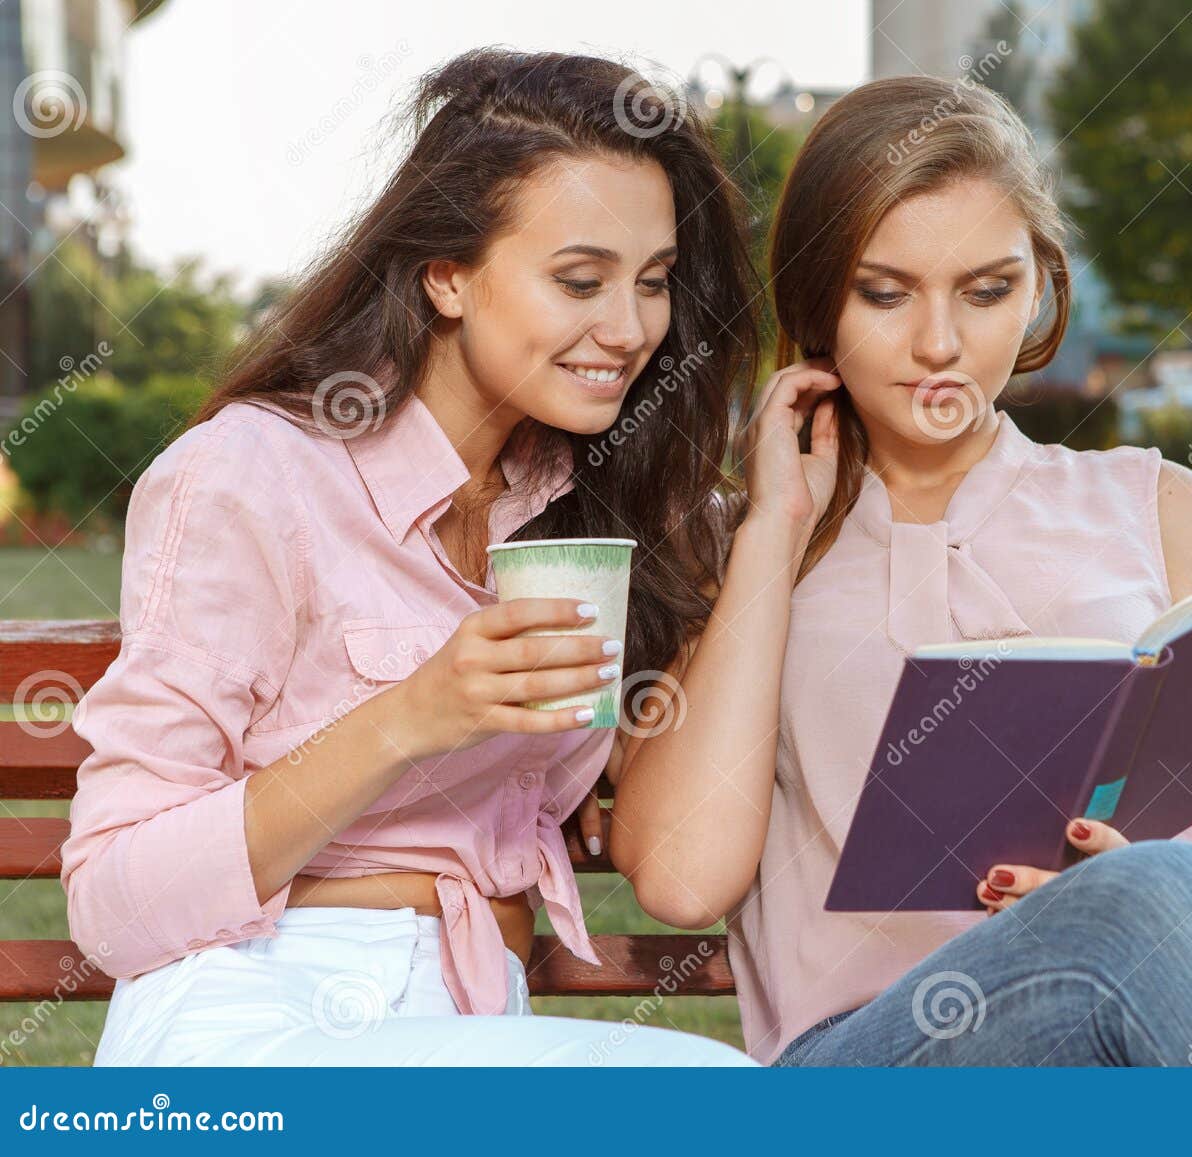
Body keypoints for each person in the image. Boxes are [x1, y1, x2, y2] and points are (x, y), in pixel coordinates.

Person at [608, 76, 1192, 1068]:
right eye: (884, 292)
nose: (939, 343)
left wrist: (1130, 915)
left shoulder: (1161, 506)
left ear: (1041, 283)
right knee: (1137, 902)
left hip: (1137, 1050)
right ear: (814, 297)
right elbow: (678, 878)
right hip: (875, 1066)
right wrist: (774, 531)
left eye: (986, 289)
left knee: (1141, 895)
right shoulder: (728, 543)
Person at [62, 49, 756, 1067]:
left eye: (652, 283)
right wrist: (409, 717)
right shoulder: (252, 474)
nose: (629, 328)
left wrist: (768, 522)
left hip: (471, 1021)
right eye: (579, 279)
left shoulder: (612, 510)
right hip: (251, 1008)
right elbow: (113, 903)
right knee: (708, 1092)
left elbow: (687, 871)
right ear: (446, 276)